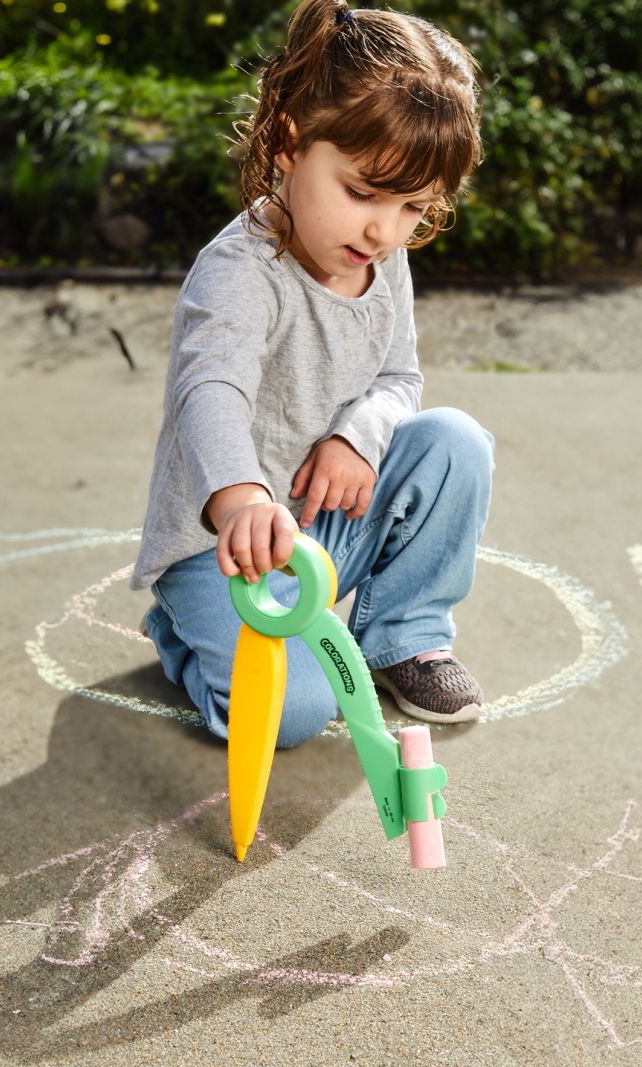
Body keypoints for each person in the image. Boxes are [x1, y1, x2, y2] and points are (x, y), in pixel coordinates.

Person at [131, 0, 493, 747]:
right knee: (294, 714)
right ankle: (182, 636)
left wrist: (356, 437)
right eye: (363, 192)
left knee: (455, 441)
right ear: (291, 143)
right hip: (228, 549)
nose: (384, 229)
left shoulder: (381, 256)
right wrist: (243, 501)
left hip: (322, 527)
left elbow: (399, 378)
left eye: (414, 207)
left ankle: (404, 636)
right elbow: (211, 391)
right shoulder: (241, 272)